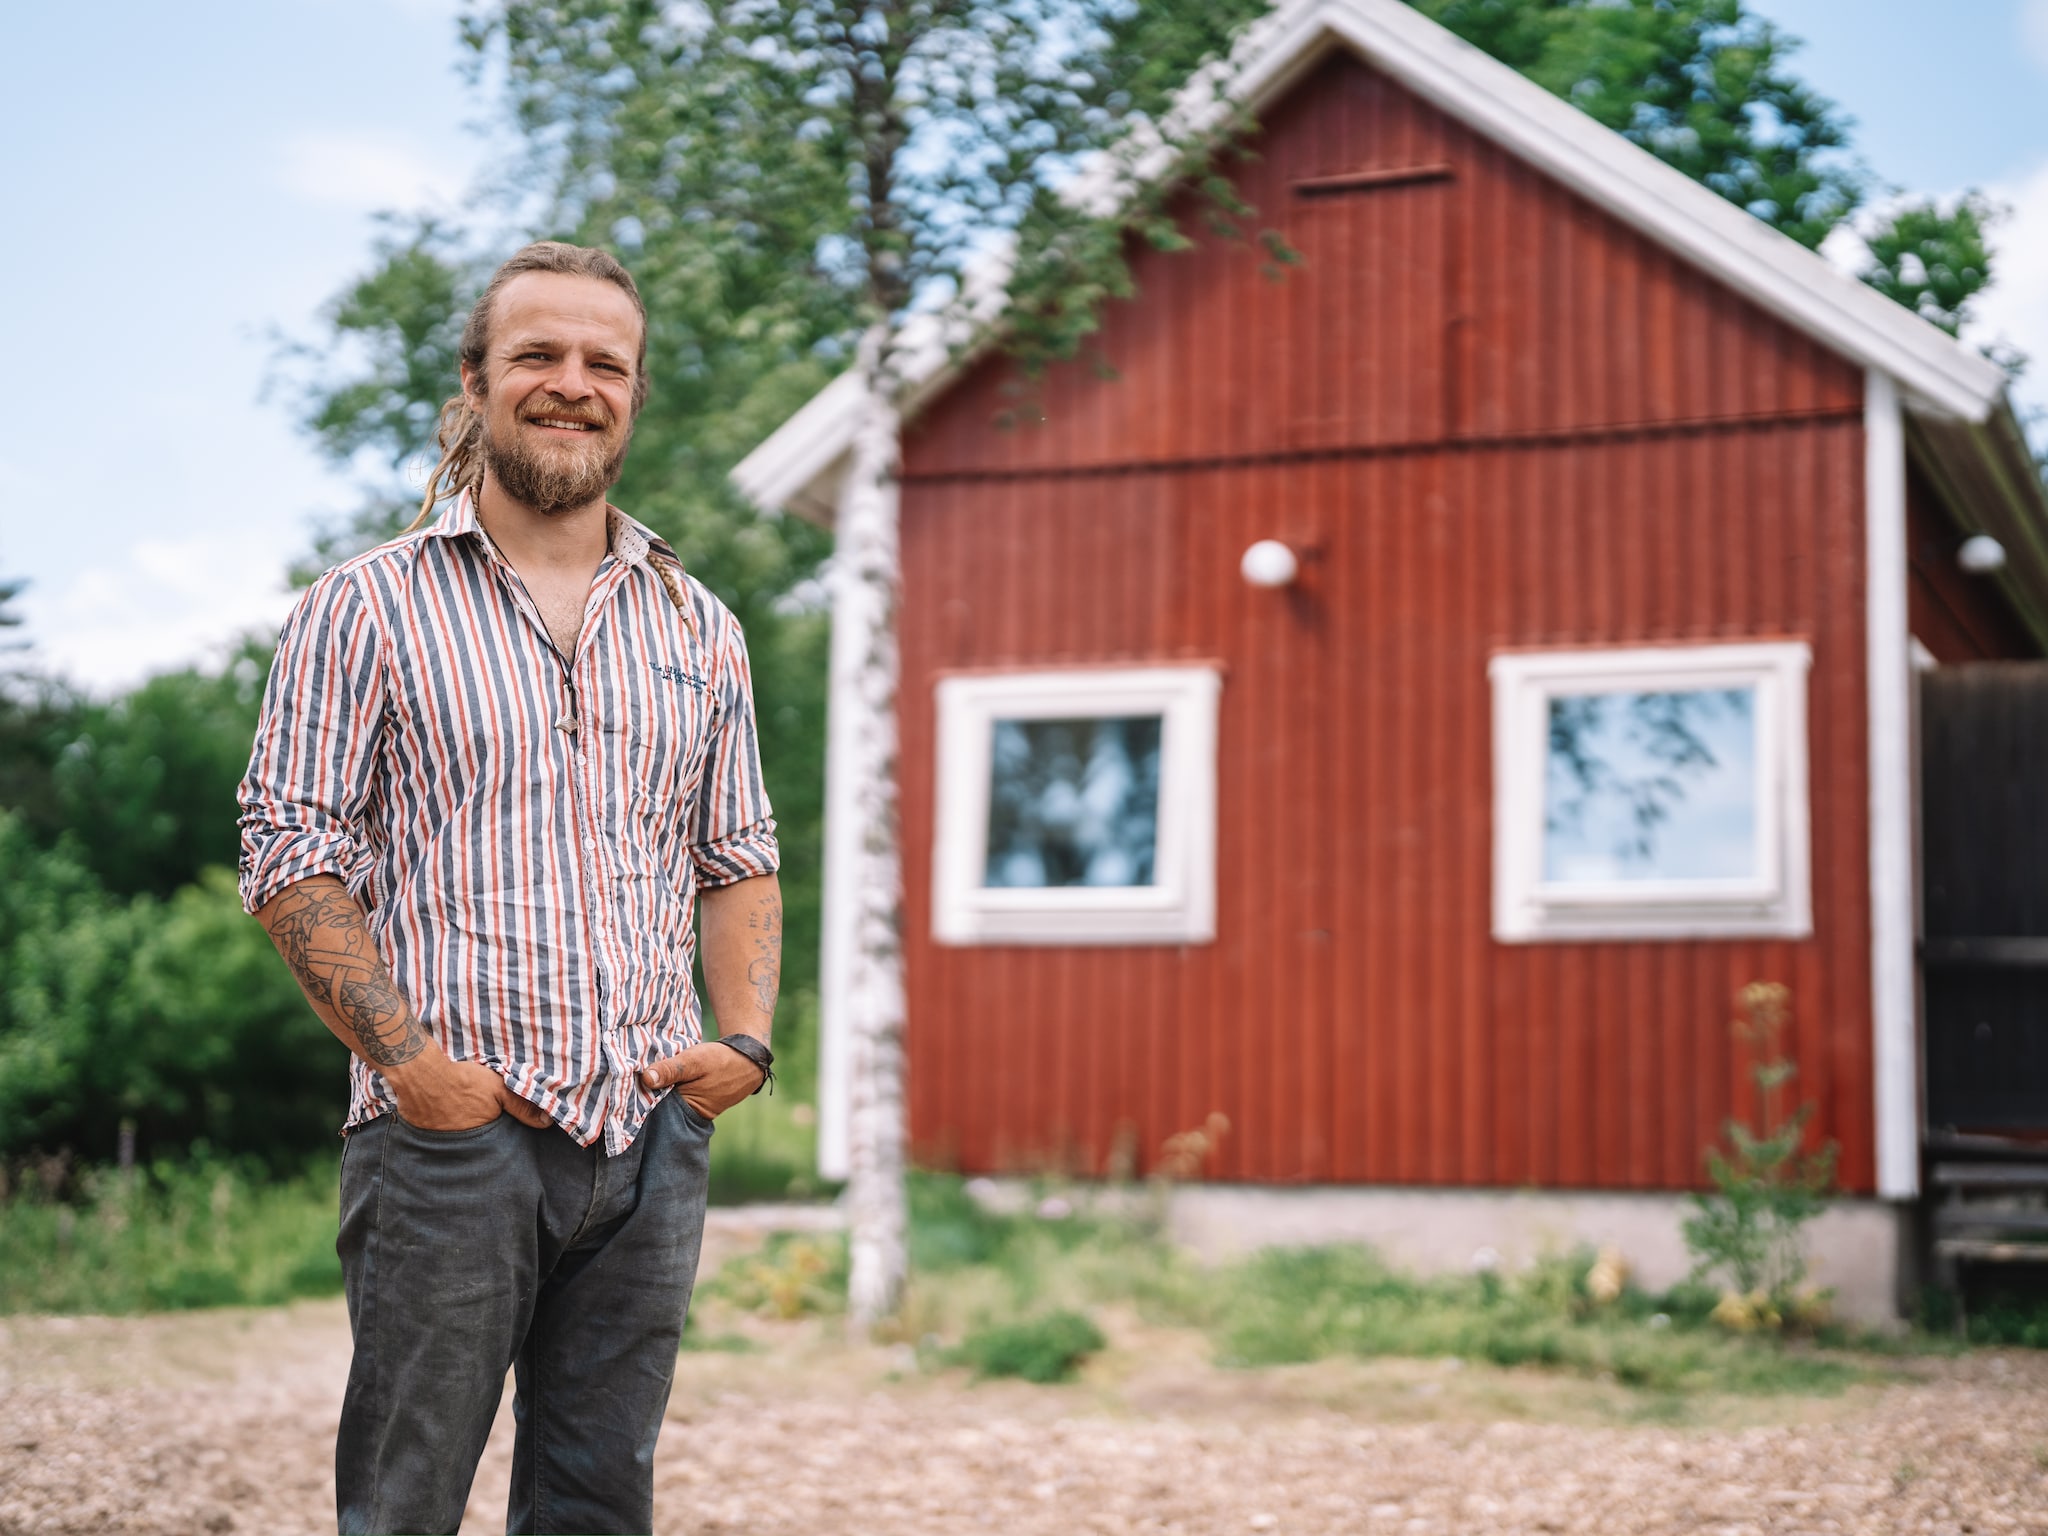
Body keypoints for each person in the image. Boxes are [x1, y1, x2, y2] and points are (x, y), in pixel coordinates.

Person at [238, 241, 783, 1536]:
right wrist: (411, 1067)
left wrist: (745, 1044)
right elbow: (290, 847)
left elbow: (739, 851)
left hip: (649, 1137)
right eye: (538, 353)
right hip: (451, 1140)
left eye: (607, 362)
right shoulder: (360, 607)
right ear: (476, 382)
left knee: (599, 1500)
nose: (573, 384)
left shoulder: (696, 624)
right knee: (405, 1502)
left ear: (635, 394)